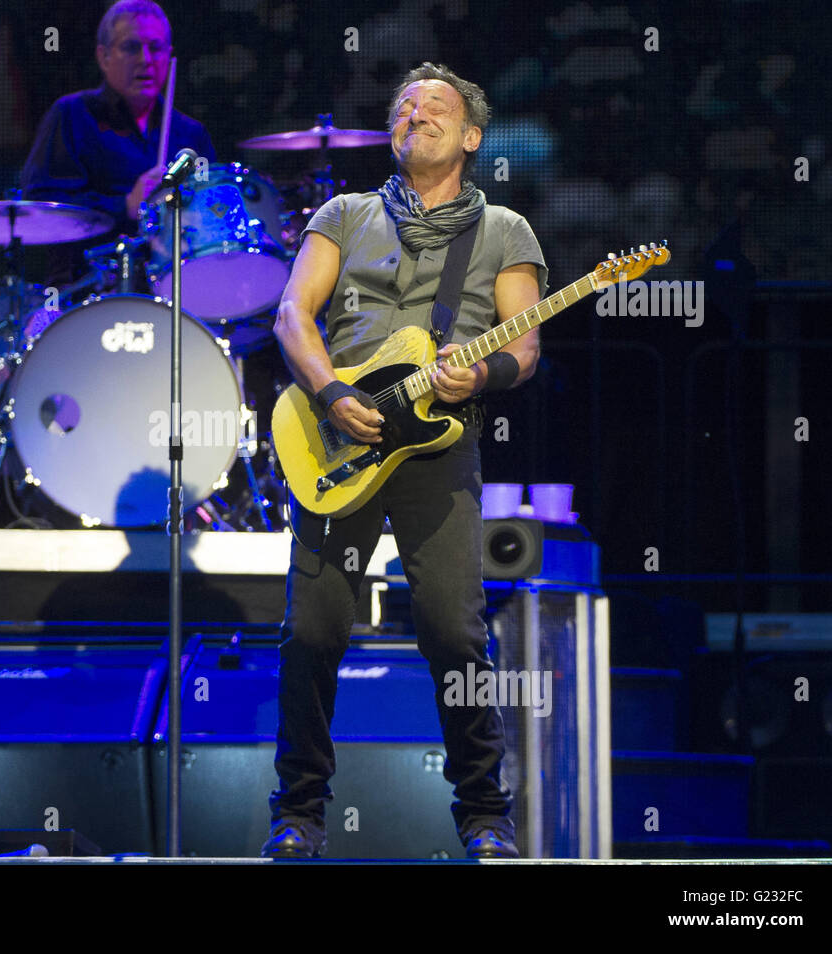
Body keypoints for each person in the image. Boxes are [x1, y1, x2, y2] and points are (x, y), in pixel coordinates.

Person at [263, 63, 547, 860]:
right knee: (311, 635)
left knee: (455, 635)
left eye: (437, 108)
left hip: (437, 448)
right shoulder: (344, 213)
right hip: (337, 440)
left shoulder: (504, 232)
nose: (416, 112)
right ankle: (299, 815)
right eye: (404, 107)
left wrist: (481, 372)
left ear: (470, 138)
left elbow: (525, 349)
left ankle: (486, 816)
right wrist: (325, 393)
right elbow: (292, 313)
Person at [19, 0, 216, 239]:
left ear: (169, 56)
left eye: (155, 48)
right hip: (88, 272)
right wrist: (126, 206)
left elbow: (211, 209)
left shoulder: (191, 134)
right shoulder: (72, 115)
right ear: (104, 57)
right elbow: (41, 206)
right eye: (131, 47)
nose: (145, 59)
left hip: (173, 272)